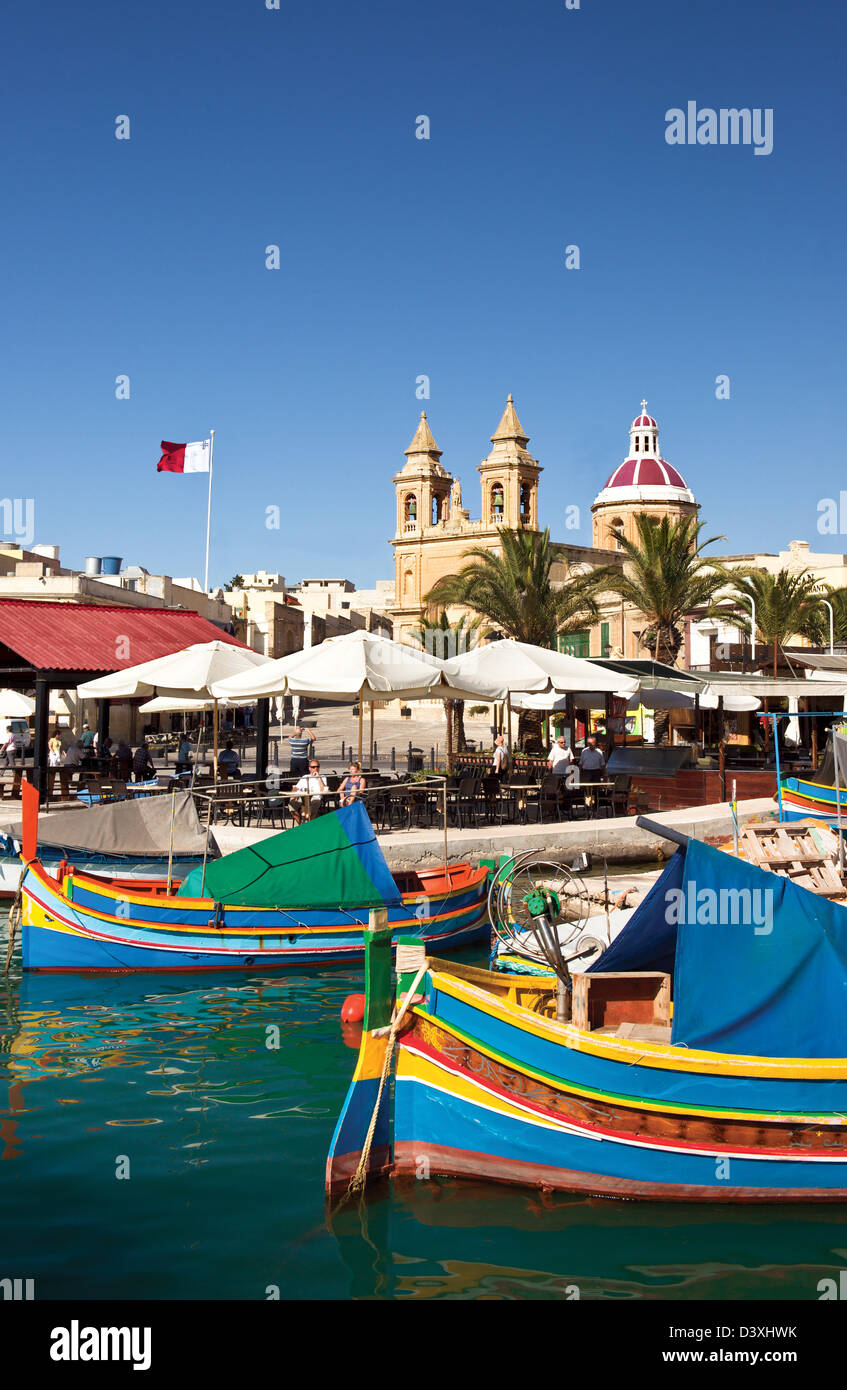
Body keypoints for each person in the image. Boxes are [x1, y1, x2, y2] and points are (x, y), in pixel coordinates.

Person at [290, 759, 327, 825]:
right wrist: (293, 796)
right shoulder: (305, 777)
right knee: (291, 805)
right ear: (309, 768)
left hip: (315, 797)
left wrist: (318, 777)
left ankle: (308, 825)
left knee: (314, 806)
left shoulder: (322, 777)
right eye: (313, 767)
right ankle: (301, 825)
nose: (316, 768)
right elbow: (296, 787)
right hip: (303, 797)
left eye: (317, 767)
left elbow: (323, 790)